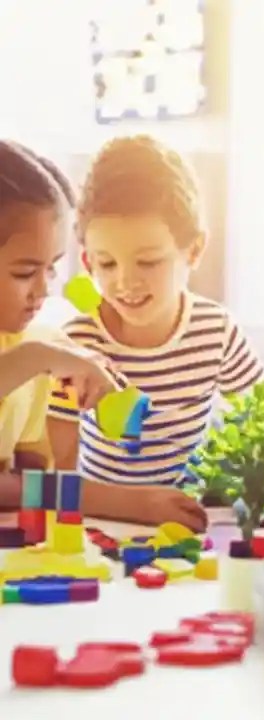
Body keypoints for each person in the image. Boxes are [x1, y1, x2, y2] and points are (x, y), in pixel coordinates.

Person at [45, 135, 264, 528]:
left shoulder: (215, 331)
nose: (126, 283)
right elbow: (58, 476)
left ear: (194, 250)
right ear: (87, 262)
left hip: (188, 522)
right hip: (104, 523)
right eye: (107, 264)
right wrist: (136, 505)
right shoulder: (77, 344)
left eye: (148, 262)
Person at [0, 139, 198, 526]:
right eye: (24, 273)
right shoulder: (35, 353)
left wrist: (132, 503)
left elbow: (14, 485)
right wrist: (39, 356)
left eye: (52, 268)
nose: (43, 290)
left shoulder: (30, 349)